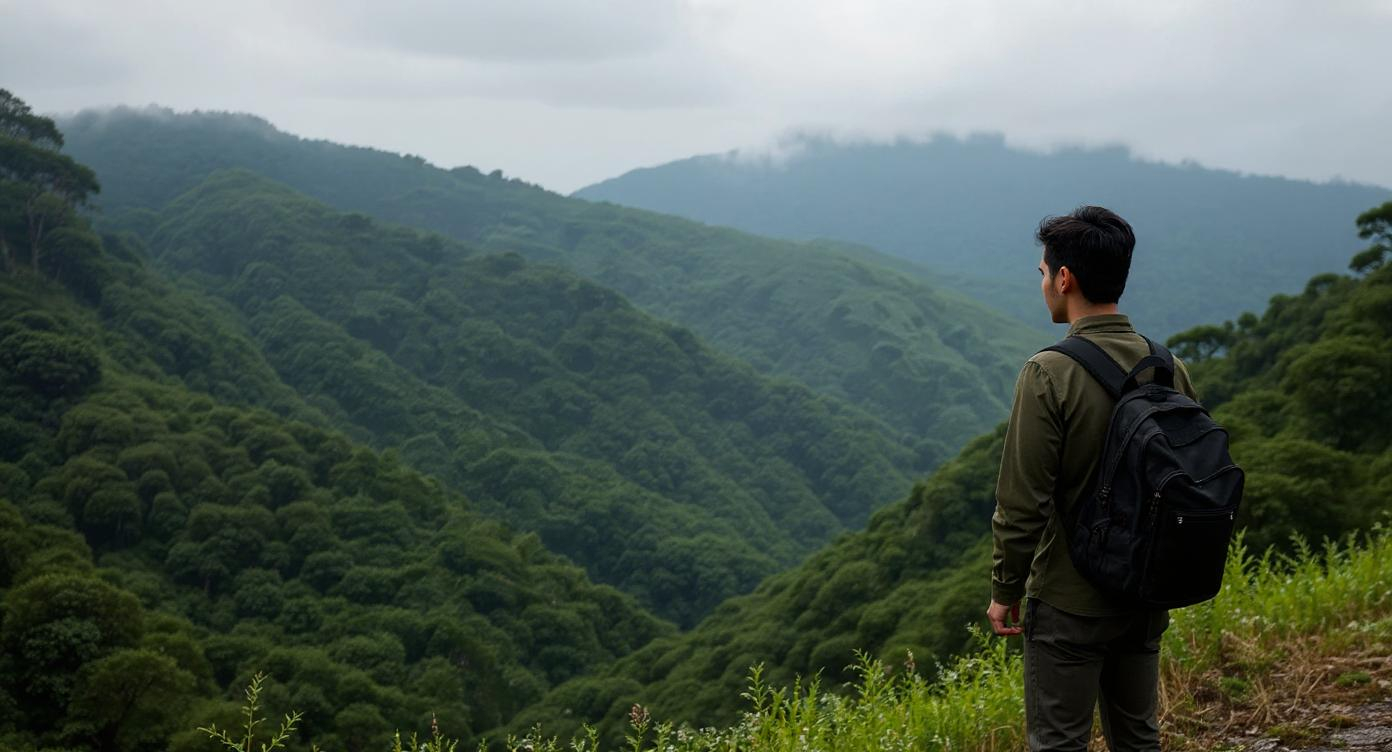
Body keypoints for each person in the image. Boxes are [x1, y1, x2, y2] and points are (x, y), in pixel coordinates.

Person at [986, 206, 1198, 752]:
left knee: (1058, 742)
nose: (1042, 283)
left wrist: (1004, 589)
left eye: (1041, 273)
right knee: (1138, 738)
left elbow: (1022, 503)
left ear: (1064, 278)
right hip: (1146, 591)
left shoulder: (1048, 373)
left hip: (1069, 599)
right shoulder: (1167, 366)